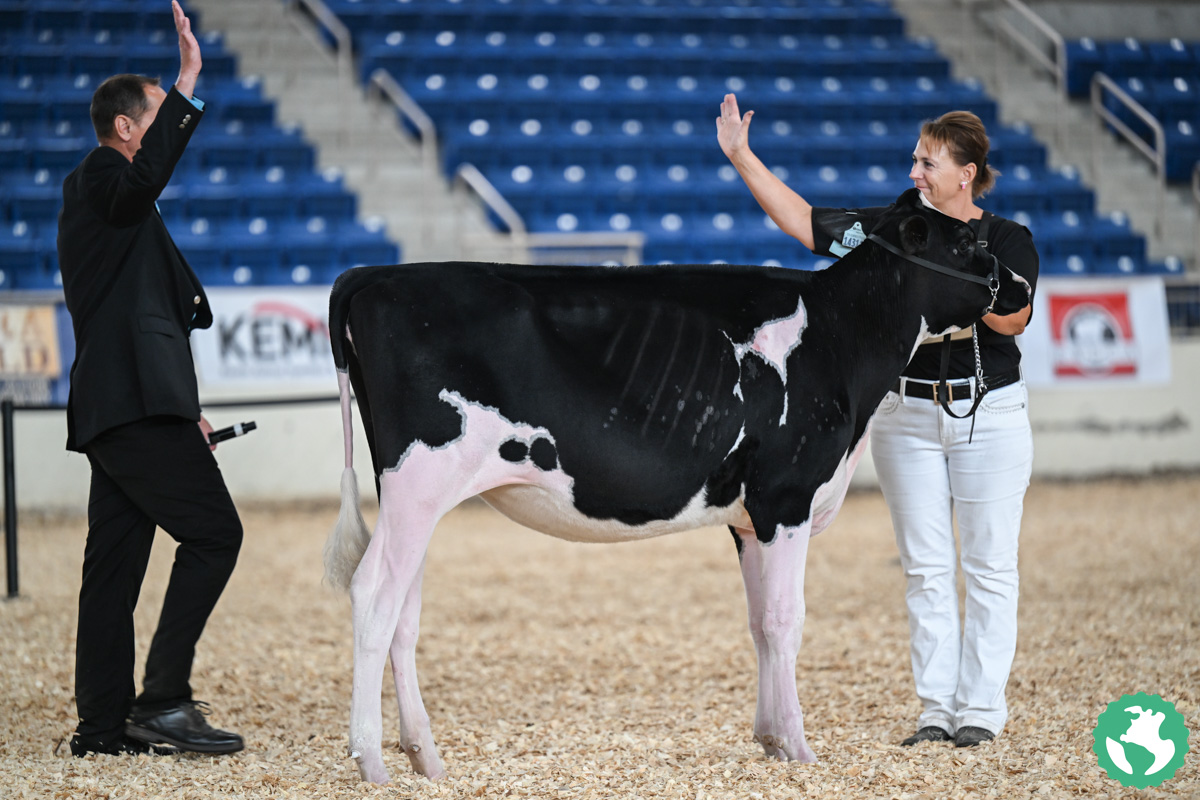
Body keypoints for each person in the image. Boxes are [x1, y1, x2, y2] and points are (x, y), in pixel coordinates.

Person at [717, 95, 1037, 748]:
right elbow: (806, 224)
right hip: (907, 411)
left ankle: (980, 711)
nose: (915, 171)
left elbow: (1012, 318)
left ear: (965, 173)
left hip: (989, 411)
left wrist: (940, 283)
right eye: (916, 161)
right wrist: (742, 157)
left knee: (988, 564)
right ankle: (934, 711)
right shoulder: (897, 230)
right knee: (923, 567)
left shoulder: (1005, 240)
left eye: (928, 162)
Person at [58, 1, 244, 757]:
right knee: (215, 533)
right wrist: (189, 83)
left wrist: (188, 409)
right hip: (130, 405)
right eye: (160, 115)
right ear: (128, 128)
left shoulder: (123, 212)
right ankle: (162, 700)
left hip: (134, 403)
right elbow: (136, 192)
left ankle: (102, 728)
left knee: (113, 569)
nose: (170, 126)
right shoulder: (101, 175)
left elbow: (154, 316)